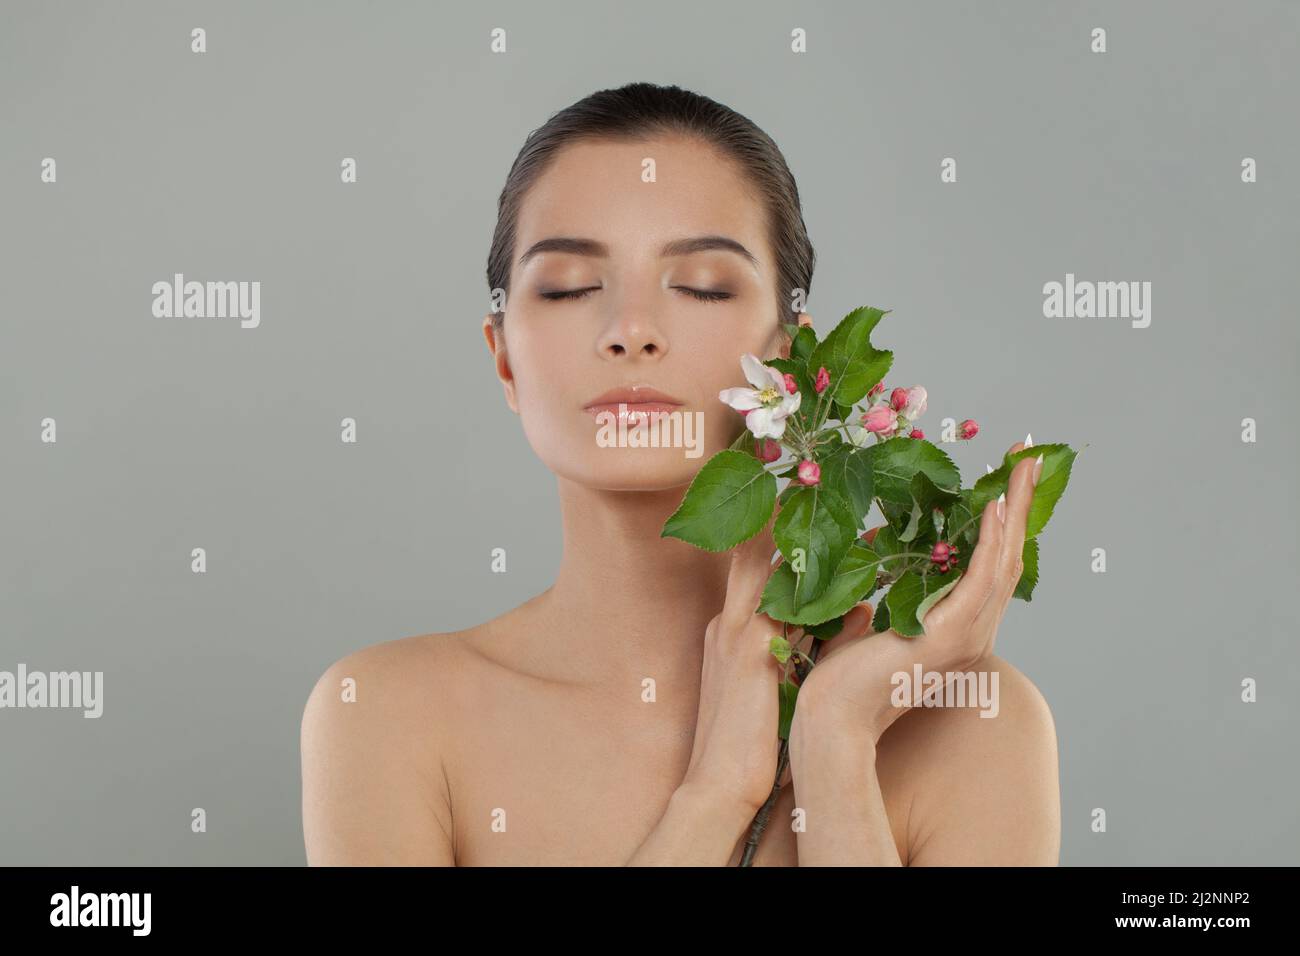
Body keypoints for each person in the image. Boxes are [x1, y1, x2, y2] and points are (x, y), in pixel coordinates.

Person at [300, 82, 1060, 866]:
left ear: (793, 360)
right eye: (569, 287)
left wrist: (835, 744)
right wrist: (717, 793)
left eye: (701, 285)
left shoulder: (975, 724)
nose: (631, 330)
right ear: (503, 359)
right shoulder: (387, 715)